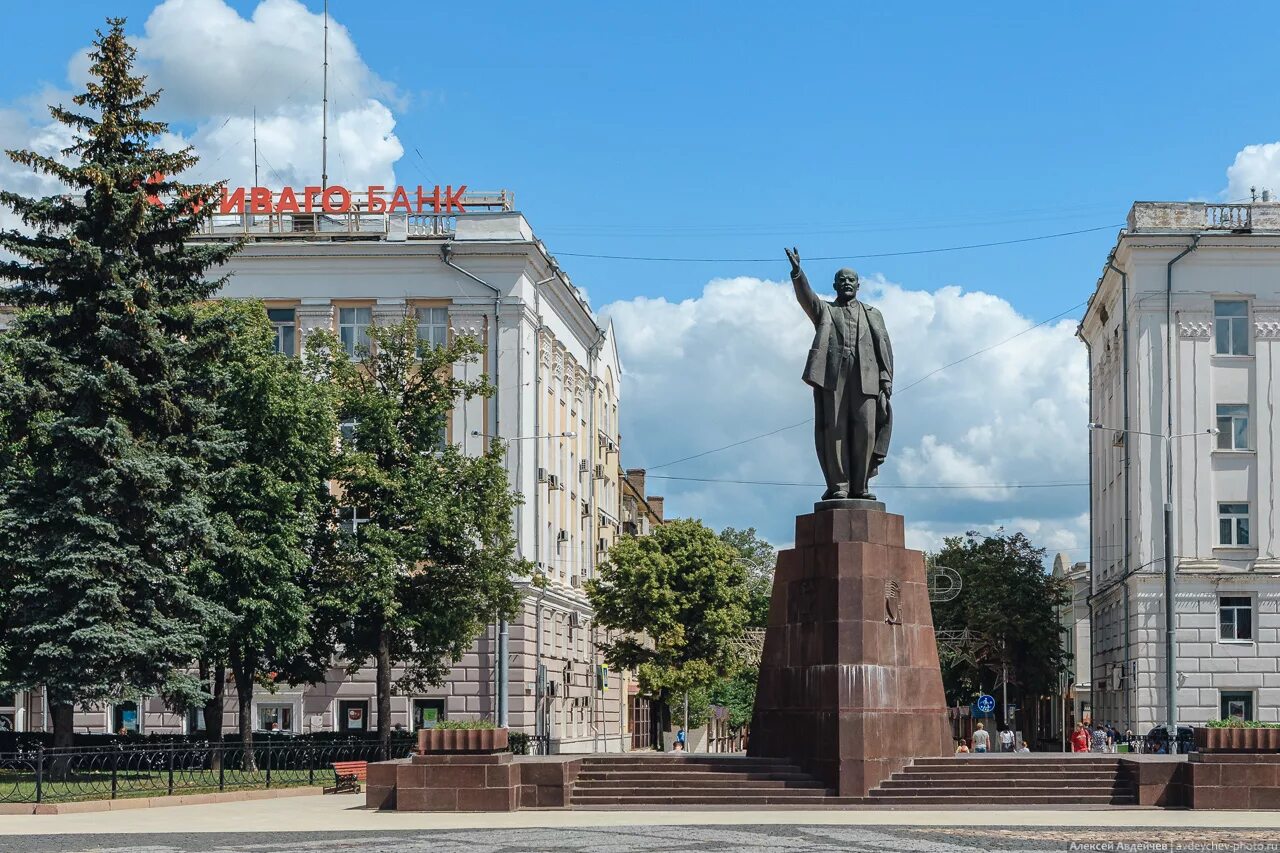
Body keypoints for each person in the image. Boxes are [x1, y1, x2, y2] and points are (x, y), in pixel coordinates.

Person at [786, 249, 894, 501]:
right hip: (834, 377)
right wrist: (797, 273)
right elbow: (807, 299)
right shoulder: (827, 311)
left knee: (865, 432)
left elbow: (884, 346)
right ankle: (839, 486)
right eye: (842, 280)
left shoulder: (873, 313)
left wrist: (886, 378)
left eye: (851, 280)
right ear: (834, 285)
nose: (847, 283)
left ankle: (860, 486)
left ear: (858, 285)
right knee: (834, 430)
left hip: (866, 377)